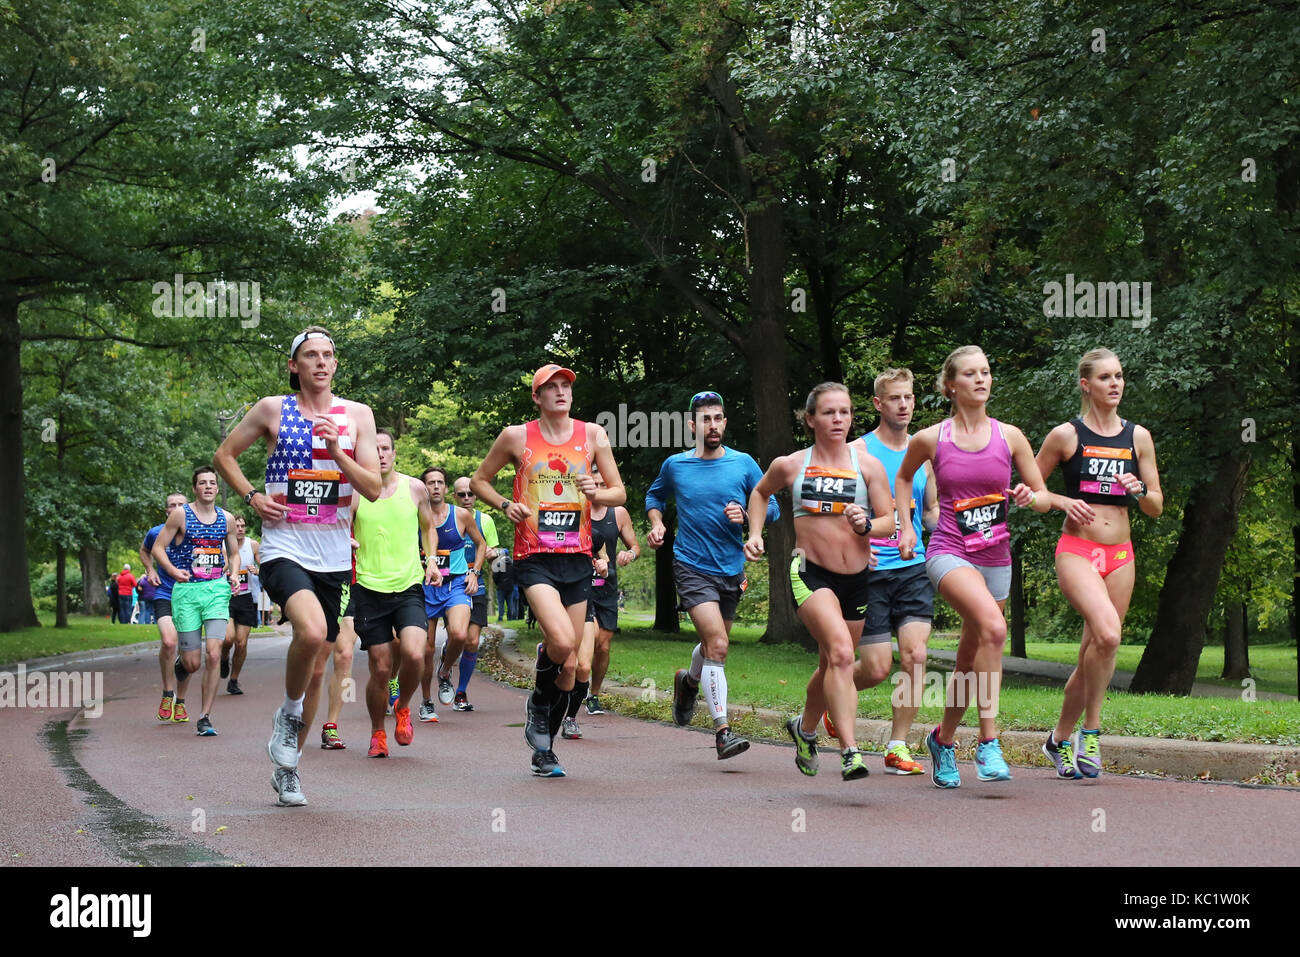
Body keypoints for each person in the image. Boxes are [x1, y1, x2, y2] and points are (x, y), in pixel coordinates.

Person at [213, 326, 381, 807]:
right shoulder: (272, 409)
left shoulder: (357, 416)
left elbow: (371, 487)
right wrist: (252, 496)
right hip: (285, 546)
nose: (322, 363)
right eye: (311, 356)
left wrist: (336, 452)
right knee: (309, 633)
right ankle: (288, 716)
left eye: (328, 355)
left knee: (315, 670)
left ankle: (288, 770)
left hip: (333, 555)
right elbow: (224, 455)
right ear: (295, 365)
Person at [895, 345, 1056, 788]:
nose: (981, 379)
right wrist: (906, 525)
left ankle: (943, 740)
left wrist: (1029, 495)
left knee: (970, 659)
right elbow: (905, 476)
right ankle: (989, 742)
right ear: (951, 385)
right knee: (995, 629)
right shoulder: (931, 438)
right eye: (970, 374)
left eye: (986, 371)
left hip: (995, 557)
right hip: (949, 551)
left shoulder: (1011, 437)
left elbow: (1042, 498)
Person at [471, 363, 624, 777]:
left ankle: (545, 751)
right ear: (536, 397)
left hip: (578, 558)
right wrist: (506, 505)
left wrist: (598, 491)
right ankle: (539, 702)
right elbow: (480, 480)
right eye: (550, 387)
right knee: (559, 642)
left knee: (572, 667)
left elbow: (619, 490)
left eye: (566, 386)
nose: (561, 392)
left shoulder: (592, 435)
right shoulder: (516, 437)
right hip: (534, 556)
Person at [746, 383, 895, 781]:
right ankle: (850, 750)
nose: (838, 420)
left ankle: (804, 728)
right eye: (829, 413)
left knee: (831, 661)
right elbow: (760, 494)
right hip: (810, 573)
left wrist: (869, 524)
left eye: (845, 412)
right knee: (844, 655)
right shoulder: (791, 465)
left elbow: (889, 520)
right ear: (810, 419)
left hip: (858, 580)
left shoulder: (868, 466)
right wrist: (755, 533)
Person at [1035, 348, 1163, 779]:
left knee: (1098, 648)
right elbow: (1032, 492)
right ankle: (1091, 733)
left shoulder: (1137, 437)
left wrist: (1140, 489)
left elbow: (1157, 507)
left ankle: (1057, 741)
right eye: (1106, 377)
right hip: (1078, 551)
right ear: (1086, 385)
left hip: (1121, 554)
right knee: (1109, 633)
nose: (1116, 384)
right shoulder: (1065, 436)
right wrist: (1064, 501)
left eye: (1120, 376)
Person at [646, 390, 778, 760]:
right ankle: (722, 731)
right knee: (718, 645)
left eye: (718, 418)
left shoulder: (744, 464)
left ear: (725, 422)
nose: (713, 424)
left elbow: (773, 505)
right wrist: (657, 525)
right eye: (706, 419)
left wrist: (750, 518)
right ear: (692, 425)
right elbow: (654, 498)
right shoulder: (676, 465)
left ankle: (687, 683)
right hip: (690, 565)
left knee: (711, 646)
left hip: (731, 568)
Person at [822, 368, 940, 775]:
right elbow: (833, 512)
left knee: (916, 656)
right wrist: (855, 546)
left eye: (908, 398)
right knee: (875, 667)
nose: (904, 405)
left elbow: (930, 513)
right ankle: (834, 696)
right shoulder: (857, 452)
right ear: (877, 404)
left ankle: (897, 746)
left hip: (913, 567)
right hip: (868, 570)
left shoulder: (924, 452)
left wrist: (963, 522)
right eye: (895, 399)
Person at [351, 429, 441, 757]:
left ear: (394, 453)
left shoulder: (415, 488)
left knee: (416, 653)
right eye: (374, 450)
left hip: (408, 586)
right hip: (369, 588)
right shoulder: (355, 493)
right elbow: (339, 528)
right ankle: (378, 732)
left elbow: (429, 527)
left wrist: (431, 561)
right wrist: (345, 541)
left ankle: (403, 707)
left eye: (386, 448)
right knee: (381, 667)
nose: (381, 454)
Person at [151, 466, 242, 737]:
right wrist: (172, 571)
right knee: (193, 663)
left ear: (216, 487)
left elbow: (234, 553)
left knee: (214, 653)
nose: (208, 487)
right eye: (202, 483)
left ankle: (204, 717)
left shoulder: (226, 519)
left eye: (212, 483)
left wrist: (234, 573)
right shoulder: (181, 515)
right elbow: (158, 547)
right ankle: (182, 663)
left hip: (215, 591)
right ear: (195, 488)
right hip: (187, 593)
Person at [563, 466, 638, 737]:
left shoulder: (617, 513)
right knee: (588, 644)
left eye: (599, 483)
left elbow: (630, 546)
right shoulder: (574, 512)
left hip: (606, 588)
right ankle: (559, 659)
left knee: (603, 646)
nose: (594, 488)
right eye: (590, 483)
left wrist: (628, 555)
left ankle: (592, 694)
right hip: (580, 588)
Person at [416, 467, 486, 721]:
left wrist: (474, 572)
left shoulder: (461, 515)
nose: (435, 487)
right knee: (425, 648)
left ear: (446, 489)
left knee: (459, 633)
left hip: (455, 583)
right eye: (430, 483)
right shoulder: (414, 516)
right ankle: (426, 701)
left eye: (440, 482)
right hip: (424, 587)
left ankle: (445, 671)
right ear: (423, 488)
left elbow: (481, 543)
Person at [449, 476, 499, 711]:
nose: (467, 498)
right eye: (462, 495)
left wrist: (492, 554)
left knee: (472, 640)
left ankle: (461, 692)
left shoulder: (485, 520)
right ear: (454, 497)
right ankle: (447, 660)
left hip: (475, 583)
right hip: (448, 584)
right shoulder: (444, 517)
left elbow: (495, 551)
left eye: (470, 494)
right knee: (456, 636)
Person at [141, 493, 191, 722]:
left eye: (181, 504)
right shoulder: (156, 532)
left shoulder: (196, 531)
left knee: (187, 652)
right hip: (165, 593)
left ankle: (180, 702)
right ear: (167, 511)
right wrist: (150, 570)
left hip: (190, 596)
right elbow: (145, 550)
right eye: (173, 505)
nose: (177, 508)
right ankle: (167, 693)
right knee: (169, 642)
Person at [221, 515, 260, 695]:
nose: (240, 529)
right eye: (236, 526)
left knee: (241, 643)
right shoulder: (222, 545)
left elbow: (267, 564)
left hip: (246, 597)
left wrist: (259, 570)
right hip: (226, 597)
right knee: (229, 638)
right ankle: (223, 656)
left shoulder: (252, 545)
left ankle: (233, 680)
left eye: (243, 525)